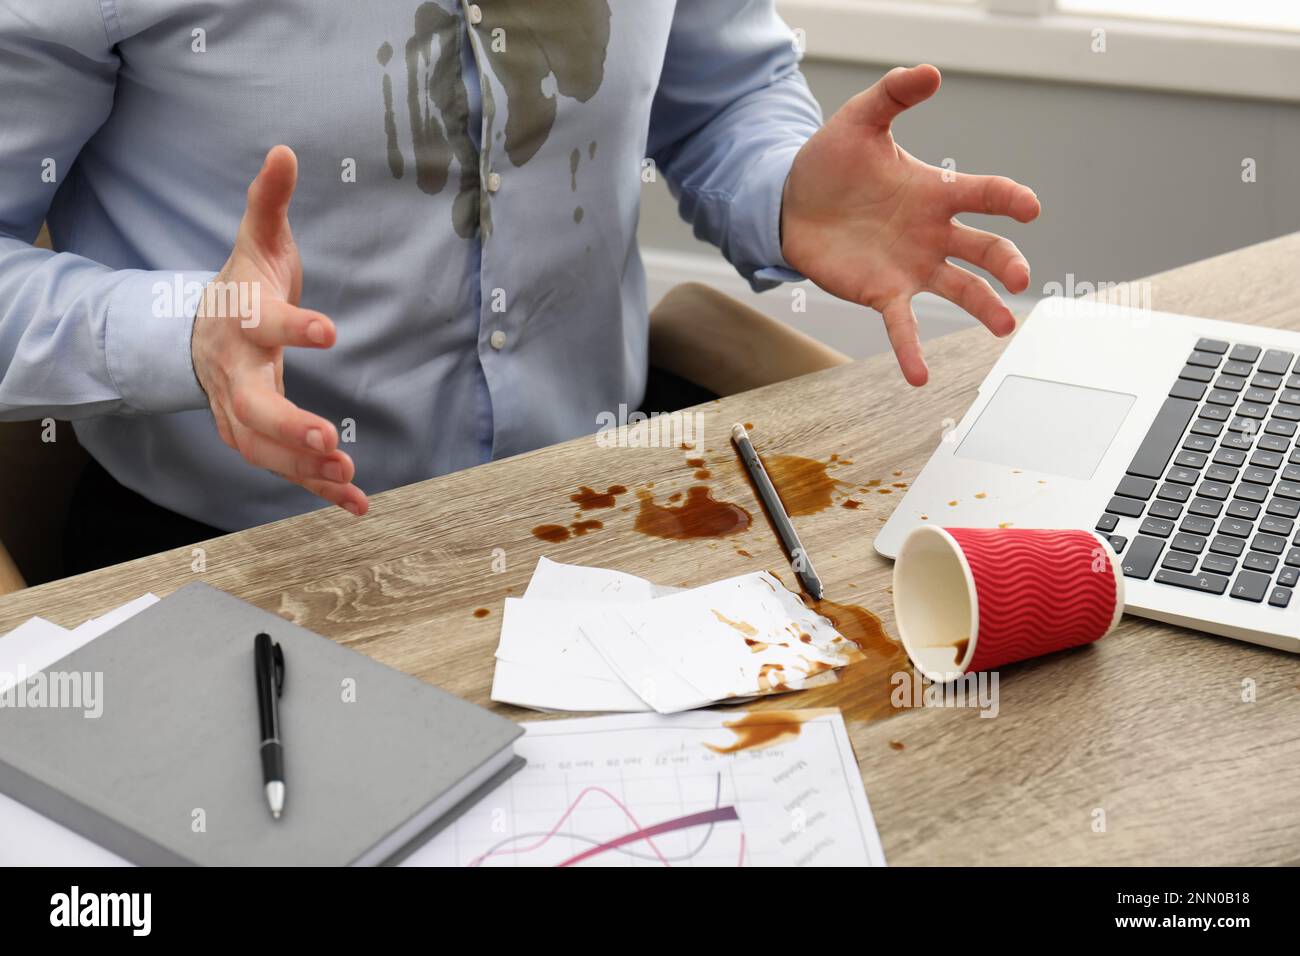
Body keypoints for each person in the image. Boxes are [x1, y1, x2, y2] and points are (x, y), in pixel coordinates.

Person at [0, 1, 1038, 571]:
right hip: (235, 564)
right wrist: (182, 333)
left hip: (603, 514)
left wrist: (778, 186)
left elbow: (723, 96)